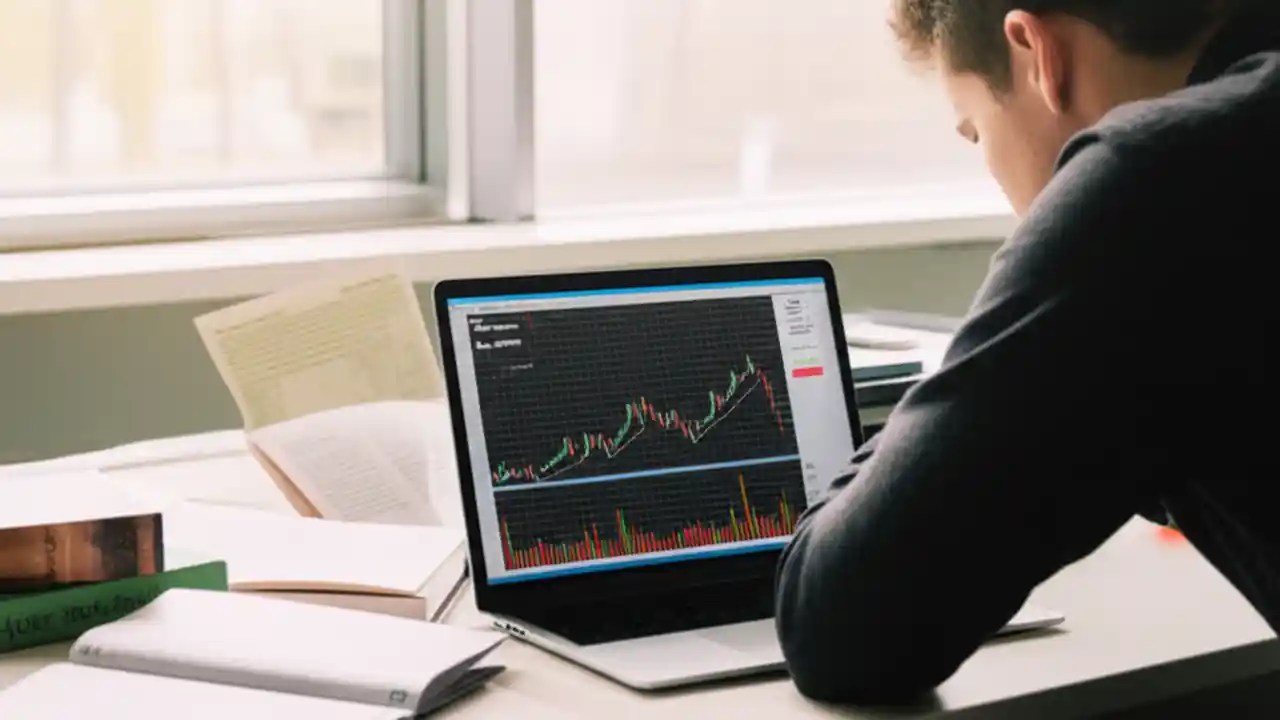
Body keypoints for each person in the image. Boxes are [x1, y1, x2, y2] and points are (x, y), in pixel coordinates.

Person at [774, 0, 1280, 704]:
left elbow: (838, 623)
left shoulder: (1156, 179)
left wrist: (1011, 340)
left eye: (974, 130)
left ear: (1037, 51)